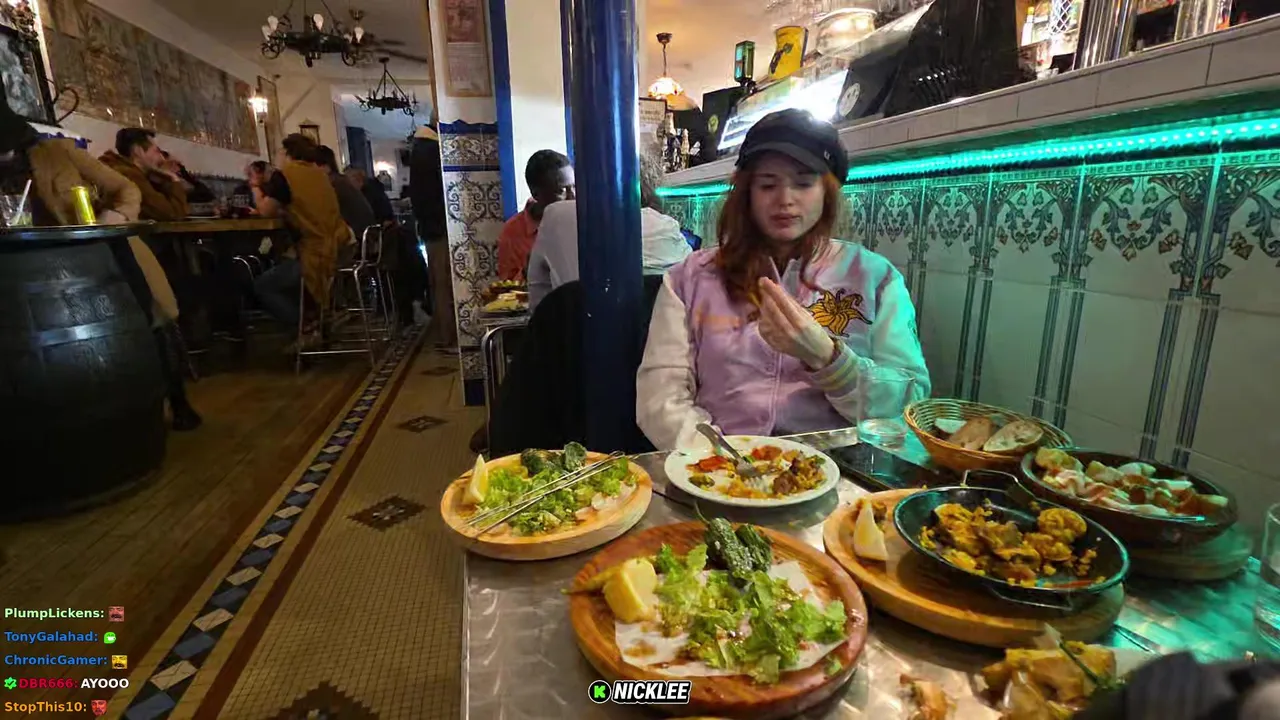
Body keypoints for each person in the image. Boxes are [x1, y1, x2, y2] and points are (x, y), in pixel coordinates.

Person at [635, 109, 931, 450]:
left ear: (827, 191)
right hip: (716, 466)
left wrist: (830, 359)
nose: (785, 200)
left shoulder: (875, 277)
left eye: (803, 183)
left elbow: (908, 404)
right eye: (767, 184)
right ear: (747, 191)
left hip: (837, 467)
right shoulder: (689, 278)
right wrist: (723, 459)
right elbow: (660, 398)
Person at [0, 91, 201, 430]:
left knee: (149, 318)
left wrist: (115, 218)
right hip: (30, 268)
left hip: (99, 252)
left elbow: (126, 190)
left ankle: (176, 398)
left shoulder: (58, 152)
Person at [527, 153, 690, 310]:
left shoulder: (559, 214)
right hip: (668, 324)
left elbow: (541, 298)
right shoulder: (669, 225)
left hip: (594, 324)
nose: (574, 195)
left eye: (577, 186)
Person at [251, 133, 349, 348]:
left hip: (314, 254)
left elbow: (266, 211)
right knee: (284, 264)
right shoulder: (319, 175)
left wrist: (256, 186)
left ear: (286, 152)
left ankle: (306, 327)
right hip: (337, 247)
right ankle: (316, 319)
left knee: (264, 285)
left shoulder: (286, 175)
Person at [409, 121, 456, 348]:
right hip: (439, 228)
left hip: (432, 228)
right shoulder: (428, 152)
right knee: (444, 283)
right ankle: (448, 338)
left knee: (440, 283)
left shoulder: (421, 150)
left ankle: (445, 335)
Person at [497, 150, 575, 283]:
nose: (572, 196)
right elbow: (507, 285)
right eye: (561, 191)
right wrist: (529, 270)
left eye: (574, 186)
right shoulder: (513, 232)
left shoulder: (583, 220)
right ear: (536, 194)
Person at [99, 128, 188, 221]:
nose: (161, 158)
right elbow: (173, 214)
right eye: (156, 151)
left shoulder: (119, 169)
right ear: (138, 151)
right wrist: (173, 179)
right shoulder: (131, 176)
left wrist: (160, 180)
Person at [314, 145, 375, 241]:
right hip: (366, 237)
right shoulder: (342, 181)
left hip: (355, 238)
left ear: (324, 166)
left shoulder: (332, 184)